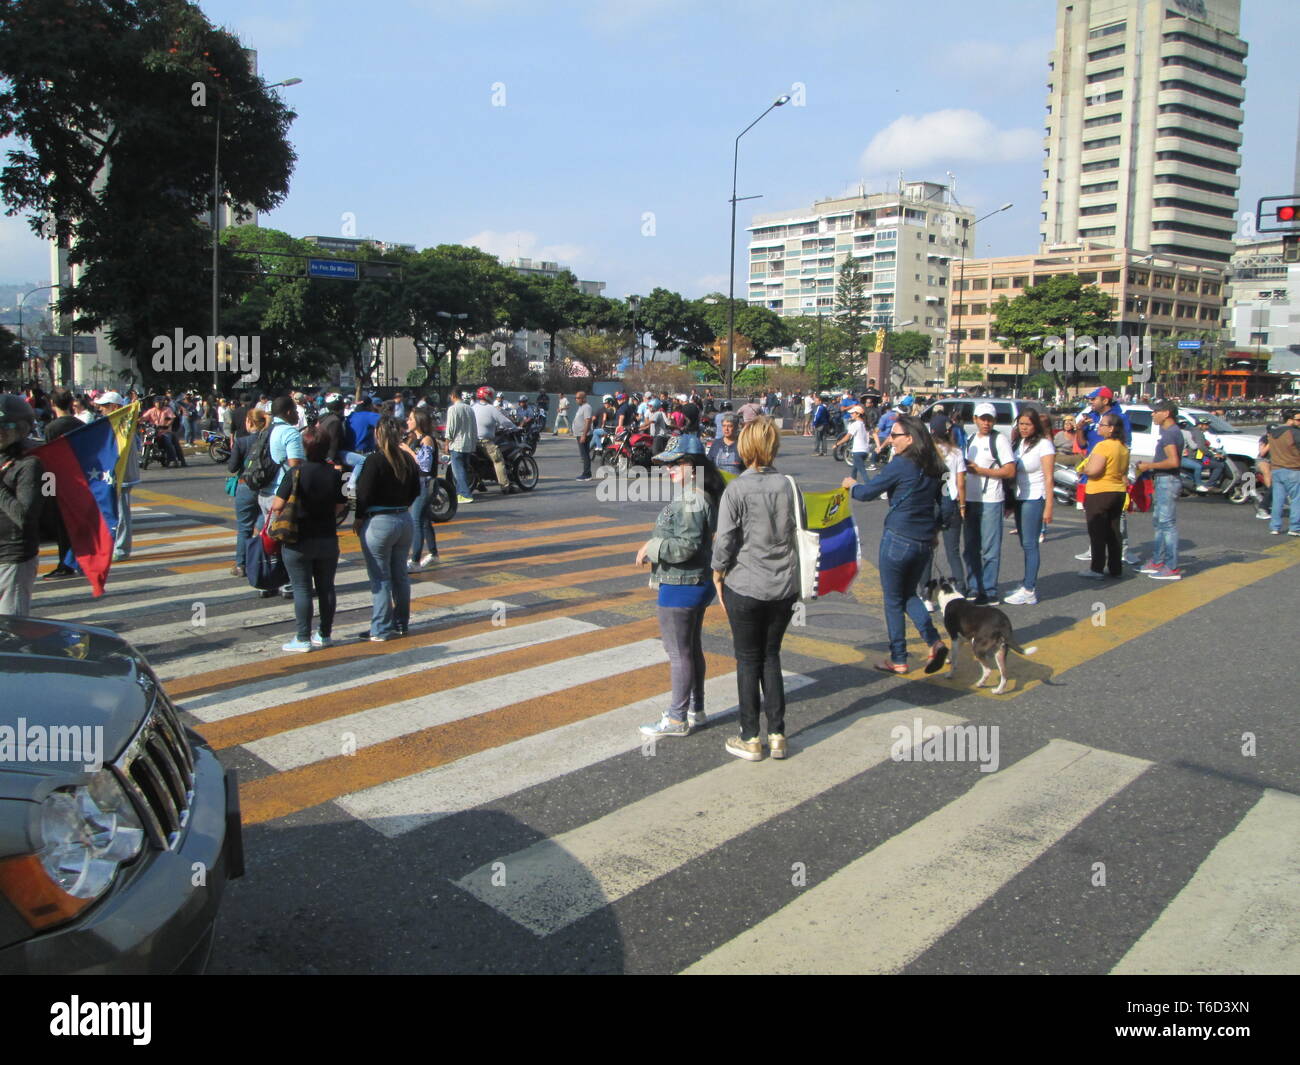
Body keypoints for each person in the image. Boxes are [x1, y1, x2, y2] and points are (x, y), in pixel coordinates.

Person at [710, 417, 800, 762]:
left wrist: (718, 572)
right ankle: (777, 734)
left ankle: (750, 737)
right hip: (784, 585)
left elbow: (726, 540)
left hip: (746, 585)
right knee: (771, 657)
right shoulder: (789, 485)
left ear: (746, 449)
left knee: (748, 660)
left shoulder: (737, 489)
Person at [841, 414, 949, 676]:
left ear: (910, 439)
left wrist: (851, 485)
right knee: (909, 594)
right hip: (924, 540)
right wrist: (934, 530)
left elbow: (868, 493)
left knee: (892, 600)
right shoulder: (936, 464)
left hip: (899, 538)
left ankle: (899, 658)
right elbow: (946, 506)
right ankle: (934, 641)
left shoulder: (901, 464)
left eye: (895, 435)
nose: (891, 439)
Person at [636, 435, 726, 738]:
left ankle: (676, 718)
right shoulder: (699, 493)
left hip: (681, 582)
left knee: (678, 653)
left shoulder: (692, 498)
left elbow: (686, 546)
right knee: (690, 649)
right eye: (668, 464)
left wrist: (653, 547)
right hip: (695, 581)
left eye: (677, 463)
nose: (669, 468)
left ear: (694, 465)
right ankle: (694, 710)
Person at [271, 427, 347, 652]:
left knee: (302, 589)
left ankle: (302, 638)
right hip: (327, 538)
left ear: (305, 448)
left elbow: (277, 505)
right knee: (326, 588)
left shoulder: (295, 472)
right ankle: (324, 634)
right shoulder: (335, 473)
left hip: (298, 539)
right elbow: (341, 505)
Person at [354, 416, 421, 641]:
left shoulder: (374, 460)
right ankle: (401, 623)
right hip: (404, 519)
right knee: (400, 575)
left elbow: (363, 494)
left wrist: (359, 517)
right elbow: (415, 491)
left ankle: (380, 629)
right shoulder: (407, 459)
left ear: (379, 434)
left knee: (380, 578)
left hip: (379, 522)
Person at [1074, 386, 1135, 563]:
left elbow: (1127, 445)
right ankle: (1094, 549)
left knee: (1116, 518)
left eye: (1094, 399)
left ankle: (1121, 551)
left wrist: (1123, 472)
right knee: (1094, 516)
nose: (1091, 402)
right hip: (1093, 475)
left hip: (1112, 475)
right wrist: (1079, 428)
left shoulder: (1119, 418)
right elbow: (1083, 444)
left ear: (1105, 400)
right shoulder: (1091, 417)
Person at [962, 401, 1015, 605]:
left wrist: (981, 471)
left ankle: (990, 589)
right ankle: (974, 587)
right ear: (975, 419)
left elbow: (1010, 471)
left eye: (990, 419)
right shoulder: (970, 439)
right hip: (970, 499)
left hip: (992, 500)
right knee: (970, 547)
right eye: (982, 418)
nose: (986, 423)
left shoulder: (999, 440)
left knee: (990, 549)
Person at [1003, 409, 1055, 606]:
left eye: (1028, 424)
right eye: (1021, 424)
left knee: (1030, 544)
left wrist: (1049, 507)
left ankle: (1029, 589)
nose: (1024, 428)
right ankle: (1026, 583)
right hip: (1019, 496)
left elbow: (1049, 478)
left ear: (1036, 426)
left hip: (1035, 496)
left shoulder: (1045, 445)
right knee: (1025, 543)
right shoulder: (1019, 443)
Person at [0, 394, 44, 615]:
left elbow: (25, 517)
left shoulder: (28, 465)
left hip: (13, 559)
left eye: (7, 425)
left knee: (11, 630)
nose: (1, 431)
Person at [918, 415, 967, 604]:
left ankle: (926, 595)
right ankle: (961, 589)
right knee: (953, 550)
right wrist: (963, 505)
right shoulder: (957, 453)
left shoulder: (927, 453)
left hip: (932, 504)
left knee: (928, 550)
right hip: (952, 502)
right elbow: (960, 483)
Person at [1135, 399, 1185, 579]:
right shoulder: (1170, 432)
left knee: (1167, 524)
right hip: (1164, 480)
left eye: (1156, 411)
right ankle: (1158, 560)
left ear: (1166, 413)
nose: (1152, 414)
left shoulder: (1170, 434)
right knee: (1159, 522)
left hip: (1168, 480)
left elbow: (1173, 461)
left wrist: (1150, 466)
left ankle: (1171, 566)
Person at [1079, 412, 1131, 580]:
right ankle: (1115, 567)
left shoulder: (1104, 446)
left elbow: (1094, 470)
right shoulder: (1123, 447)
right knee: (1113, 530)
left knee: (1097, 531)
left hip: (1100, 491)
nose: (1098, 427)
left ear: (1111, 429)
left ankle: (1097, 568)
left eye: (1102, 425)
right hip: (1118, 490)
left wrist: (1083, 469)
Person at [94, 391, 140, 562]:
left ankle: (121, 549)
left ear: (115, 407)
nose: (101, 410)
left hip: (123, 475)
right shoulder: (114, 423)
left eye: (105, 406)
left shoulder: (124, 425)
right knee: (113, 512)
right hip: (112, 475)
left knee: (121, 513)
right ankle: (113, 545)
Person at [228, 408, 269, 580]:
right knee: (263, 526)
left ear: (249, 422)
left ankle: (241, 565)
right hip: (266, 487)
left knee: (244, 528)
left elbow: (232, 467)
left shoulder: (241, 442)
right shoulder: (269, 440)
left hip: (245, 486)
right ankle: (261, 561)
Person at [404, 408, 440, 572]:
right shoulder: (415, 439)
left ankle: (415, 559)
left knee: (416, 519)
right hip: (418, 482)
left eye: (411, 418)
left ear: (418, 421)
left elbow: (424, 465)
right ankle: (433, 554)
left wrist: (408, 451)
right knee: (424, 520)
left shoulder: (427, 440)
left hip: (425, 483)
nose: (408, 421)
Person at [1260, 407, 1300, 536]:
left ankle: (1275, 526)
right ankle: (1294, 527)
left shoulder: (1273, 433)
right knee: (1296, 499)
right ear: (1290, 420)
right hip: (1293, 469)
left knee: (1277, 500)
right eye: (1298, 419)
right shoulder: (1295, 433)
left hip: (1276, 469)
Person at [472, 386, 518, 494]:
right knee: (498, 460)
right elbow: (504, 422)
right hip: (485, 442)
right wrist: (515, 427)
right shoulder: (491, 408)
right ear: (488, 395)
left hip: (472, 441)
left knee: (477, 463)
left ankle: (479, 483)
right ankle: (505, 486)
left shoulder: (473, 407)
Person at [444, 385, 477, 501]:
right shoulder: (470, 409)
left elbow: (450, 429)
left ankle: (465, 494)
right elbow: (474, 428)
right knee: (463, 469)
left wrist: (446, 443)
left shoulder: (453, 409)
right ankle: (459, 493)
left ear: (453, 396)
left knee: (458, 471)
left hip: (457, 444)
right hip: (468, 444)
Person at [142, 396, 184, 467]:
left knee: (168, 442)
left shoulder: (167, 410)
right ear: (154, 403)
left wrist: (167, 424)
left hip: (165, 431)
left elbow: (171, 418)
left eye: (160, 402)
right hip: (153, 431)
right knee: (145, 438)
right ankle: (144, 458)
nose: (158, 404)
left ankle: (173, 459)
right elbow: (144, 418)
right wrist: (139, 420)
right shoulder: (151, 411)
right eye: (157, 402)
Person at [836, 404, 873, 484]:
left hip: (858, 451)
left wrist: (837, 444)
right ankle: (851, 485)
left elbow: (847, 437)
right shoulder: (865, 424)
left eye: (853, 413)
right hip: (865, 450)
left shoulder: (856, 424)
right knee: (854, 470)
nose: (851, 414)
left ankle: (870, 487)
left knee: (863, 472)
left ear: (858, 414)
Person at [571, 390, 594, 481]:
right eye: (576, 398)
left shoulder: (586, 407)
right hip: (579, 434)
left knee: (585, 455)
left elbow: (588, 421)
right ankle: (587, 473)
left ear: (584, 398)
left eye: (578, 398)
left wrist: (584, 435)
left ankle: (587, 474)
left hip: (583, 434)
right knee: (584, 455)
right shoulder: (581, 407)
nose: (576, 400)